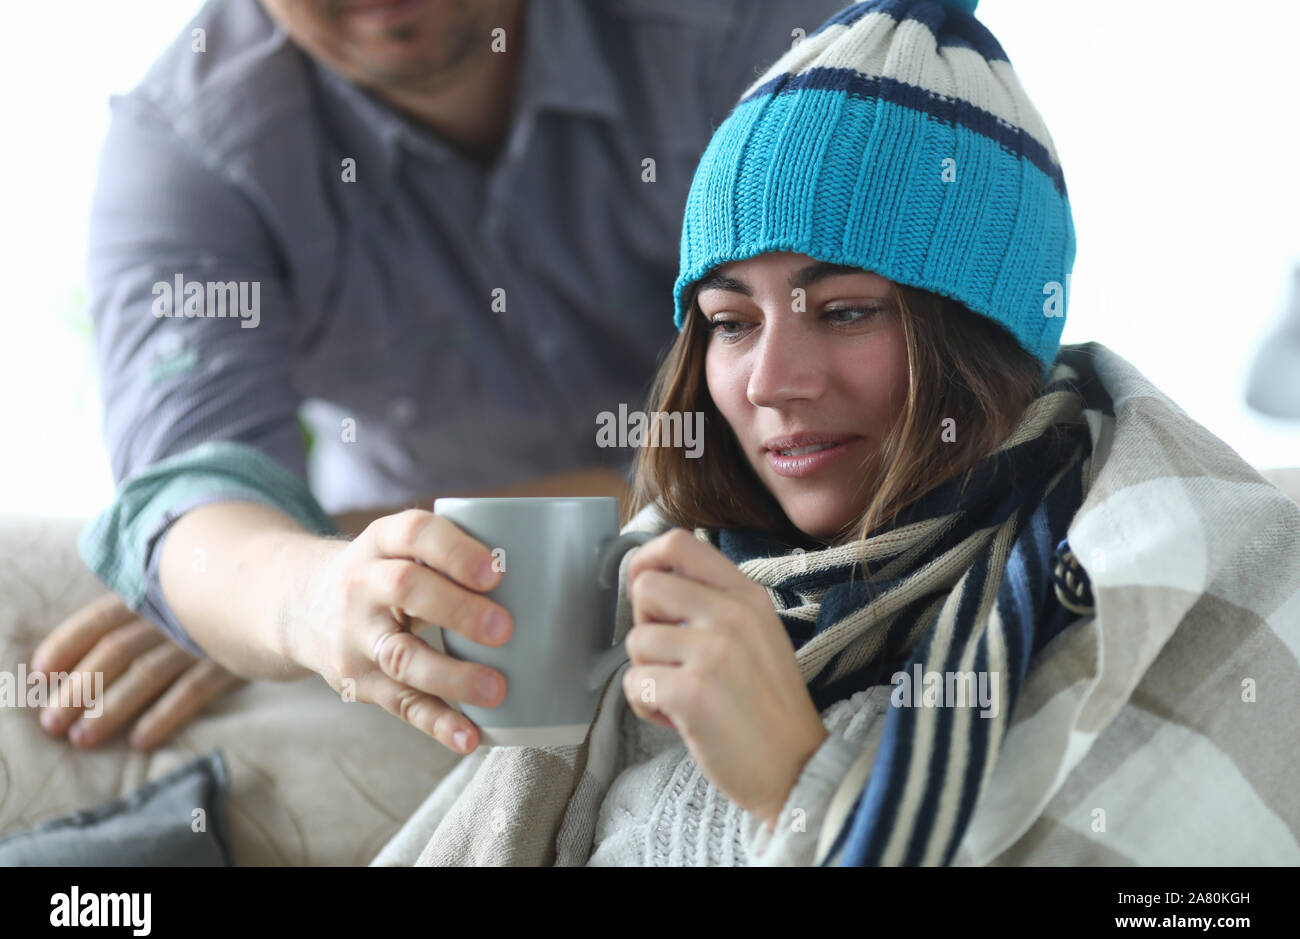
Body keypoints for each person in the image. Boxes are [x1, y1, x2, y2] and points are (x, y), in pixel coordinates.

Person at [372, 0, 1300, 867]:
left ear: (988, 335)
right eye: (731, 323)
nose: (772, 382)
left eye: (848, 311)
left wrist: (797, 781)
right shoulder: (650, 593)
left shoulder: (1198, 590)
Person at [31, 0, 844, 753]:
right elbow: (193, 496)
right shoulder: (190, 145)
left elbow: (888, 399)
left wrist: (353, 541)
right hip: (445, 618)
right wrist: (302, 597)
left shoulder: (752, 26)